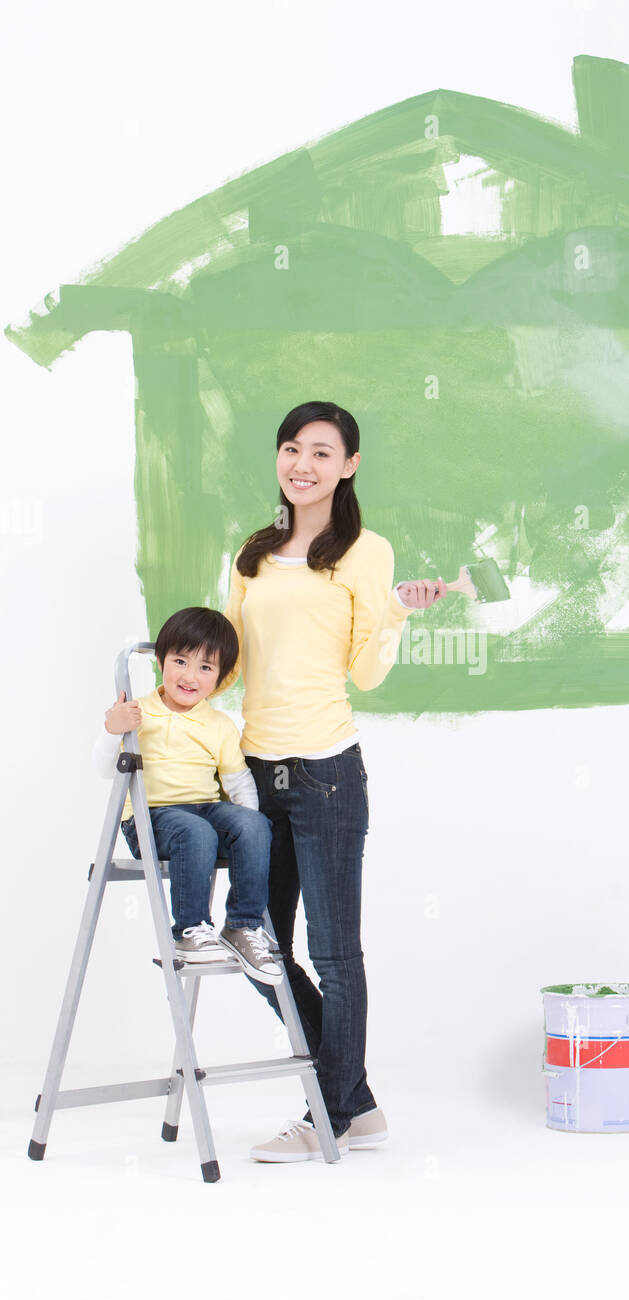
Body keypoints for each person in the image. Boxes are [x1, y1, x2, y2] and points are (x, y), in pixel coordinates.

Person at [220, 399, 445, 1163]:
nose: (302, 464)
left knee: (335, 954)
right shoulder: (252, 552)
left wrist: (398, 616)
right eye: (291, 448)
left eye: (321, 452)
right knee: (255, 942)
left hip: (325, 775)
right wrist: (169, 686)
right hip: (254, 775)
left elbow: (366, 671)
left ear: (348, 465)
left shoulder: (364, 552)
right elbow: (233, 664)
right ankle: (352, 1098)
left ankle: (330, 1113)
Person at [91, 607, 281, 986]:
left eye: (205, 668)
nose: (190, 676)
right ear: (161, 661)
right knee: (195, 832)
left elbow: (239, 782)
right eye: (180, 661)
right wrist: (113, 730)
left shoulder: (219, 725)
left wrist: (247, 833)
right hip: (151, 819)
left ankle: (243, 926)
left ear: (221, 678)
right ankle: (191, 930)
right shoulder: (138, 712)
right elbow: (102, 769)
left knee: (255, 823)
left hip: (205, 810)